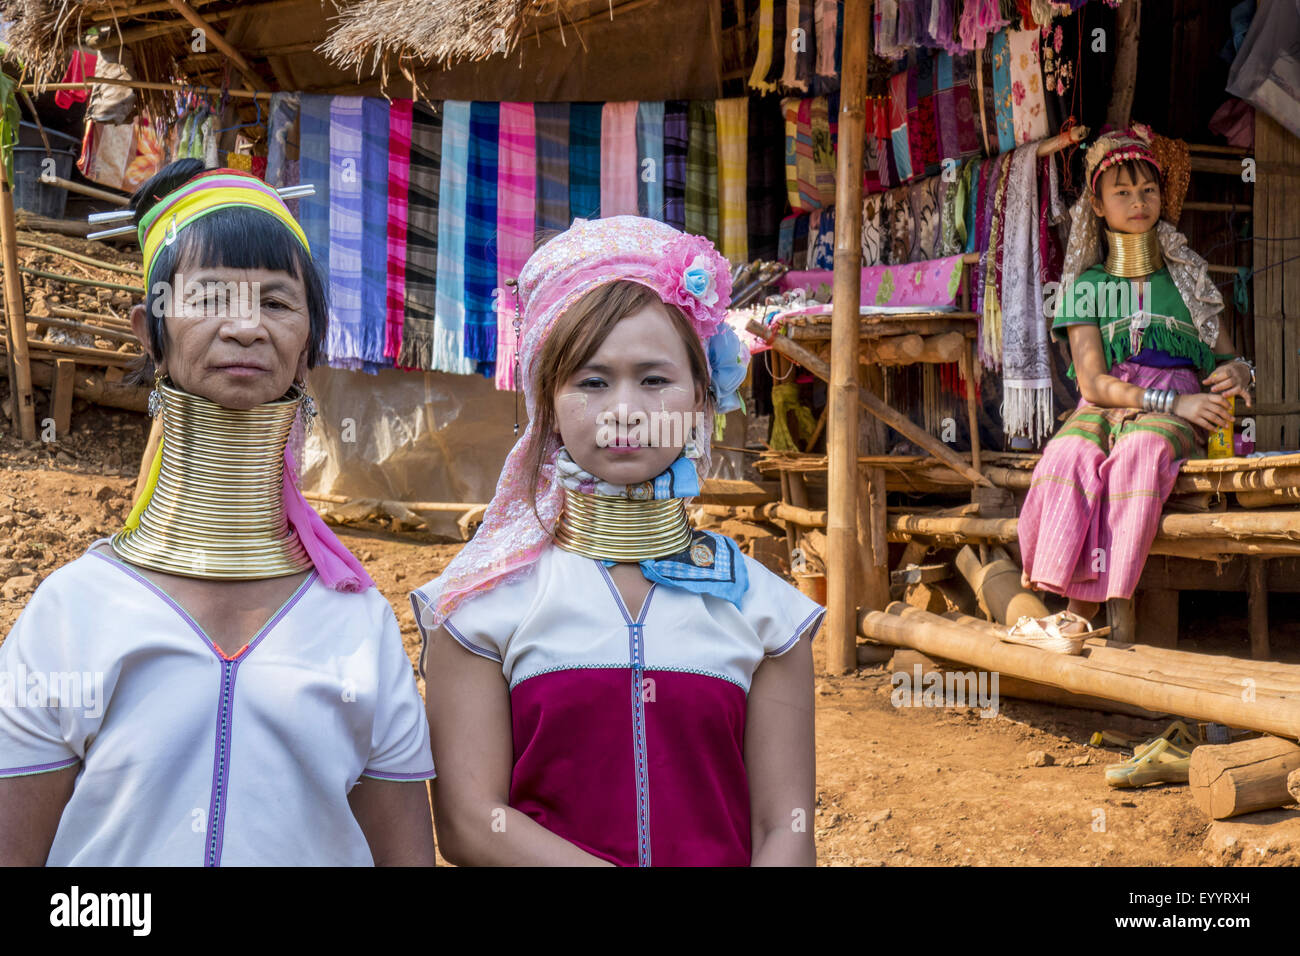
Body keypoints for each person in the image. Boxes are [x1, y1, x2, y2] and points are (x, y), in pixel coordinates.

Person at [0, 160, 436, 866]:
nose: (244, 327)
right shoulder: (73, 612)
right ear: (151, 330)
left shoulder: (356, 623)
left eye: (276, 301)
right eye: (207, 297)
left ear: (308, 346)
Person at [411, 216, 823, 866]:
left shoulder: (768, 616)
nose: (624, 410)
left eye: (654, 380)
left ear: (701, 396)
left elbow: (786, 829)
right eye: (592, 381)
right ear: (546, 397)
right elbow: (469, 822)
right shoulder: (480, 611)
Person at [1018, 124, 1254, 630]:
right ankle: (1070, 607)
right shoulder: (1085, 286)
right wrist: (1171, 405)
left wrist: (1237, 372)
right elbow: (1092, 386)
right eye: (1121, 192)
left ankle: (1086, 613)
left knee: (1140, 452)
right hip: (1109, 403)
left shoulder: (1187, 280)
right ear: (1098, 206)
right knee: (1069, 452)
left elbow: (1230, 358)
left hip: (1179, 404)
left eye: (1148, 190)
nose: (1138, 201)